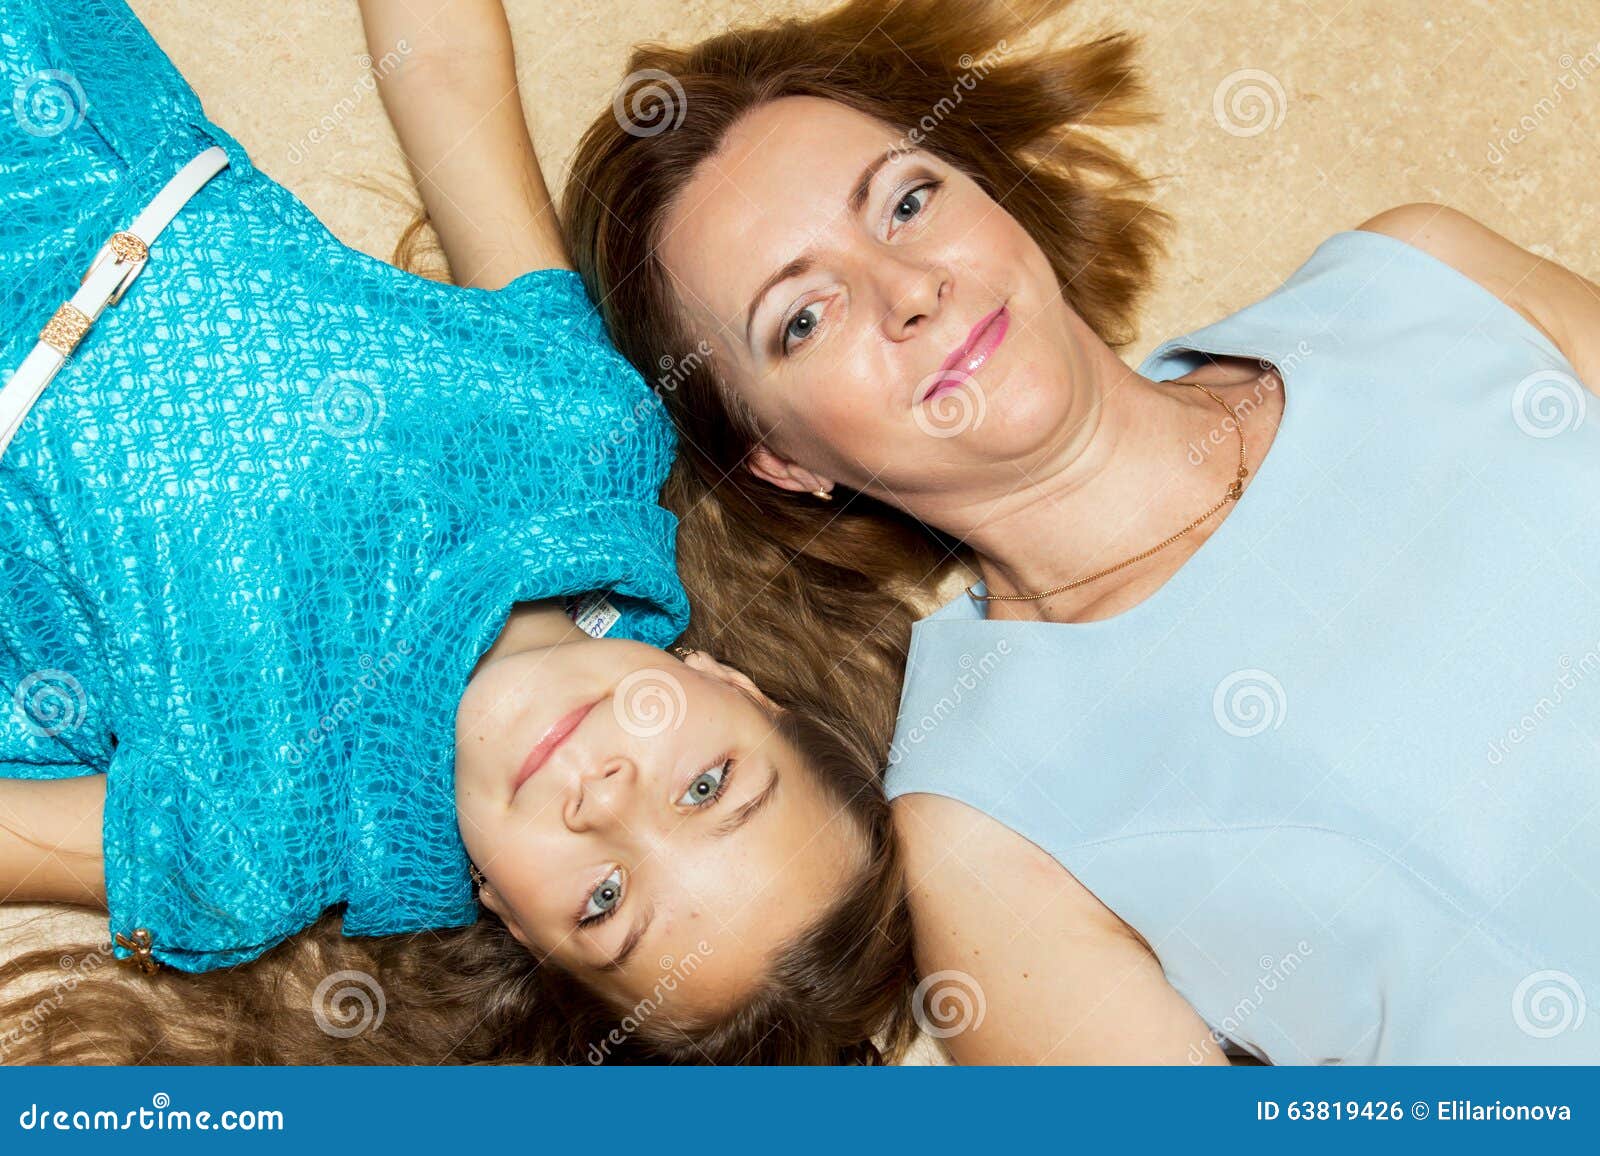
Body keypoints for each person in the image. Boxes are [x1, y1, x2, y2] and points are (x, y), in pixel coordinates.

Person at [560, 0, 1600, 1062]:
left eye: (907, 202)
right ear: (782, 459)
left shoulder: (1414, 276)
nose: (907, 290)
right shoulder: (981, 829)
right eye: (804, 318)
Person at [0, 0, 915, 1065]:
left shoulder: (254, 850)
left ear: (519, 926)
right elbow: (441, 74)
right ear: (735, 687)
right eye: (706, 786)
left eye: (608, 899)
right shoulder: (587, 439)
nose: (609, 799)